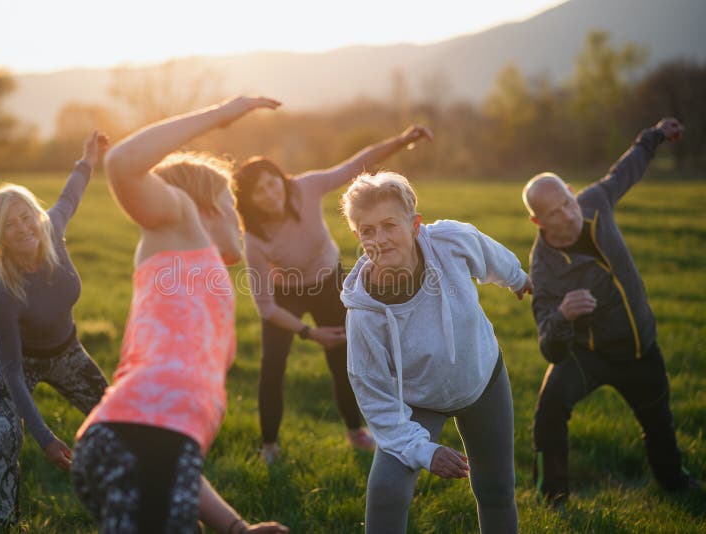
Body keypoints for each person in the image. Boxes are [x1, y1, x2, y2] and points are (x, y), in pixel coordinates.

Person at [71, 96, 288, 533]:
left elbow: (174, 451)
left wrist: (235, 527)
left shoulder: (205, 279)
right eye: (232, 205)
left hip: (147, 443)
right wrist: (220, 116)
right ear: (204, 207)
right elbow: (122, 164)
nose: (240, 220)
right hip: (138, 441)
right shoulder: (182, 226)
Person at [339, 172, 532, 534]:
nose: (379, 239)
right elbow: (377, 401)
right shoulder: (363, 314)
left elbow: (486, 251)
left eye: (389, 225)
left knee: (495, 489)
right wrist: (426, 452)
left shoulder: (450, 242)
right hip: (417, 399)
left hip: (481, 381)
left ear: (414, 225)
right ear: (357, 236)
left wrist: (518, 278)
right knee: (385, 492)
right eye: (367, 231)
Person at [522, 117, 698, 504]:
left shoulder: (595, 201)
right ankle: (551, 498)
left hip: (640, 347)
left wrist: (655, 136)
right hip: (591, 354)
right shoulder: (544, 267)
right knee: (550, 407)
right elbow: (549, 348)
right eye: (553, 213)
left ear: (571, 192)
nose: (567, 215)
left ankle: (674, 483)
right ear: (537, 220)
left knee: (659, 423)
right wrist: (563, 316)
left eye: (566, 203)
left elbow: (626, 170)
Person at [232, 125, 433, 462]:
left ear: (281, 179)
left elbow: (356, 165)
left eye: (271, 183)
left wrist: (400, 141)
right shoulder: (253, 238)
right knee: (272, 366)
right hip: (286, 293)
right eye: (258, 191)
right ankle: (269, 445)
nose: (270, 193)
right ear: (248, 200)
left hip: (329, 281)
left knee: (344, 360)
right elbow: (265, 307)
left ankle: (355, 431)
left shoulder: (304, 188)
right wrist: (309, 333)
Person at [0, 131, 111, 526]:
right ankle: (7, 523)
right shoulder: (5, 288)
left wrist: (87, 158)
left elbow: (71, 194)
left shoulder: (52, 228)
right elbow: (15, 372)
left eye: (26, 217)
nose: (23, 228)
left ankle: (129, 501)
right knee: (6, 438)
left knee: (116, 421)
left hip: (68, 353)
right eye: (9, 225)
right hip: (19, 363)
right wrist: (45, 438)